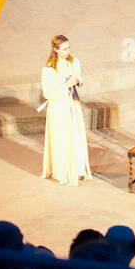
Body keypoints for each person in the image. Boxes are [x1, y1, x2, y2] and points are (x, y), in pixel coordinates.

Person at [41, 35, 93, 185]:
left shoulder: (74, 62)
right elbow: (47, 93)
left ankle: (78, 169)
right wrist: (65, 86)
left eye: (68, 48)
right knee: (62, 138)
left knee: (76, 135)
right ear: (56, 50)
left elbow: (79, 78)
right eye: (64, 49)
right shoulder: (49, 69)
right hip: (58, 108)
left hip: (73, 104)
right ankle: (62, 171)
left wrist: (76, 80)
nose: (67, 51)